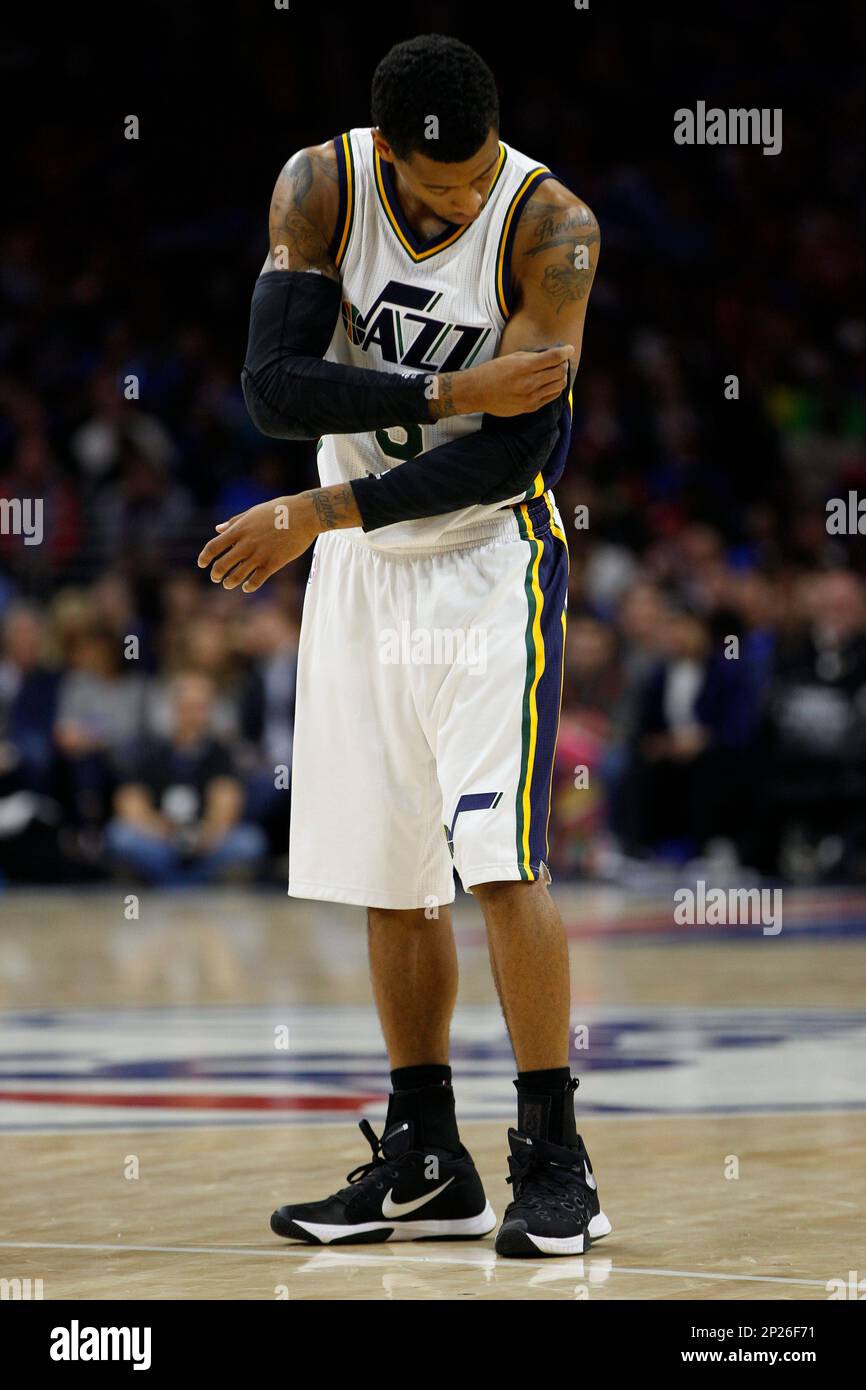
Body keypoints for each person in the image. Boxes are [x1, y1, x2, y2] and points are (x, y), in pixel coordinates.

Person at [198, 34, 608, 1257]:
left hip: (488, 559)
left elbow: (516, 449)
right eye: (433, 194)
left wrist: (313, 509)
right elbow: (273, 389)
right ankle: (428, 1157)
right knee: (387, 874)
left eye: (473, 178)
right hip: (365, 575)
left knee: (498, 858)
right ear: (386, 157)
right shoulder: (319, 187)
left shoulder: (550, 225)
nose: (458, 201)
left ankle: (555, 1159)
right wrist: (438, 393)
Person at [106, 671, 265, 886]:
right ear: (174, 707)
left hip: (205, 840)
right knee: (120, 836)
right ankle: (184, 885)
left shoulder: (221, 753)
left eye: (201, 707)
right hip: (160, 839)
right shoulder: (151, 750)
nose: (195, 715)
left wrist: (208, 833)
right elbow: (129, 800)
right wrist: (156, 827)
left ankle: (178, 885)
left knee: (249, 841)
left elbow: (227, 800)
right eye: (189, 707)